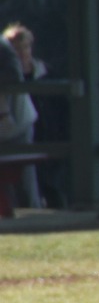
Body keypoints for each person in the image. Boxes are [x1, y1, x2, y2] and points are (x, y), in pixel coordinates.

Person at [2, 24, 42, 208]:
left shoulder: (3, 50)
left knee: (24, 180)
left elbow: (16, 78)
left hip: (19, 124)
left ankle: (32, 211)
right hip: (7, 123)